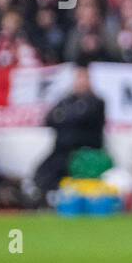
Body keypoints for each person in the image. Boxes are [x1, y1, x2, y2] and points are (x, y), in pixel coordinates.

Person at [31, 61, 107, 204]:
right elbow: (49, 119)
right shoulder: (66, 100)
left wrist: (64, 116)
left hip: (84, 152)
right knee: (41, 173)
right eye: (79, 78)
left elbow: (80, 118)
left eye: (85, 78)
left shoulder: (97, 102)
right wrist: (68, 116)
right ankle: (43, 200)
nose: (81, 82)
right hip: (61, 150)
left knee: (56, 173)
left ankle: (55, 201)